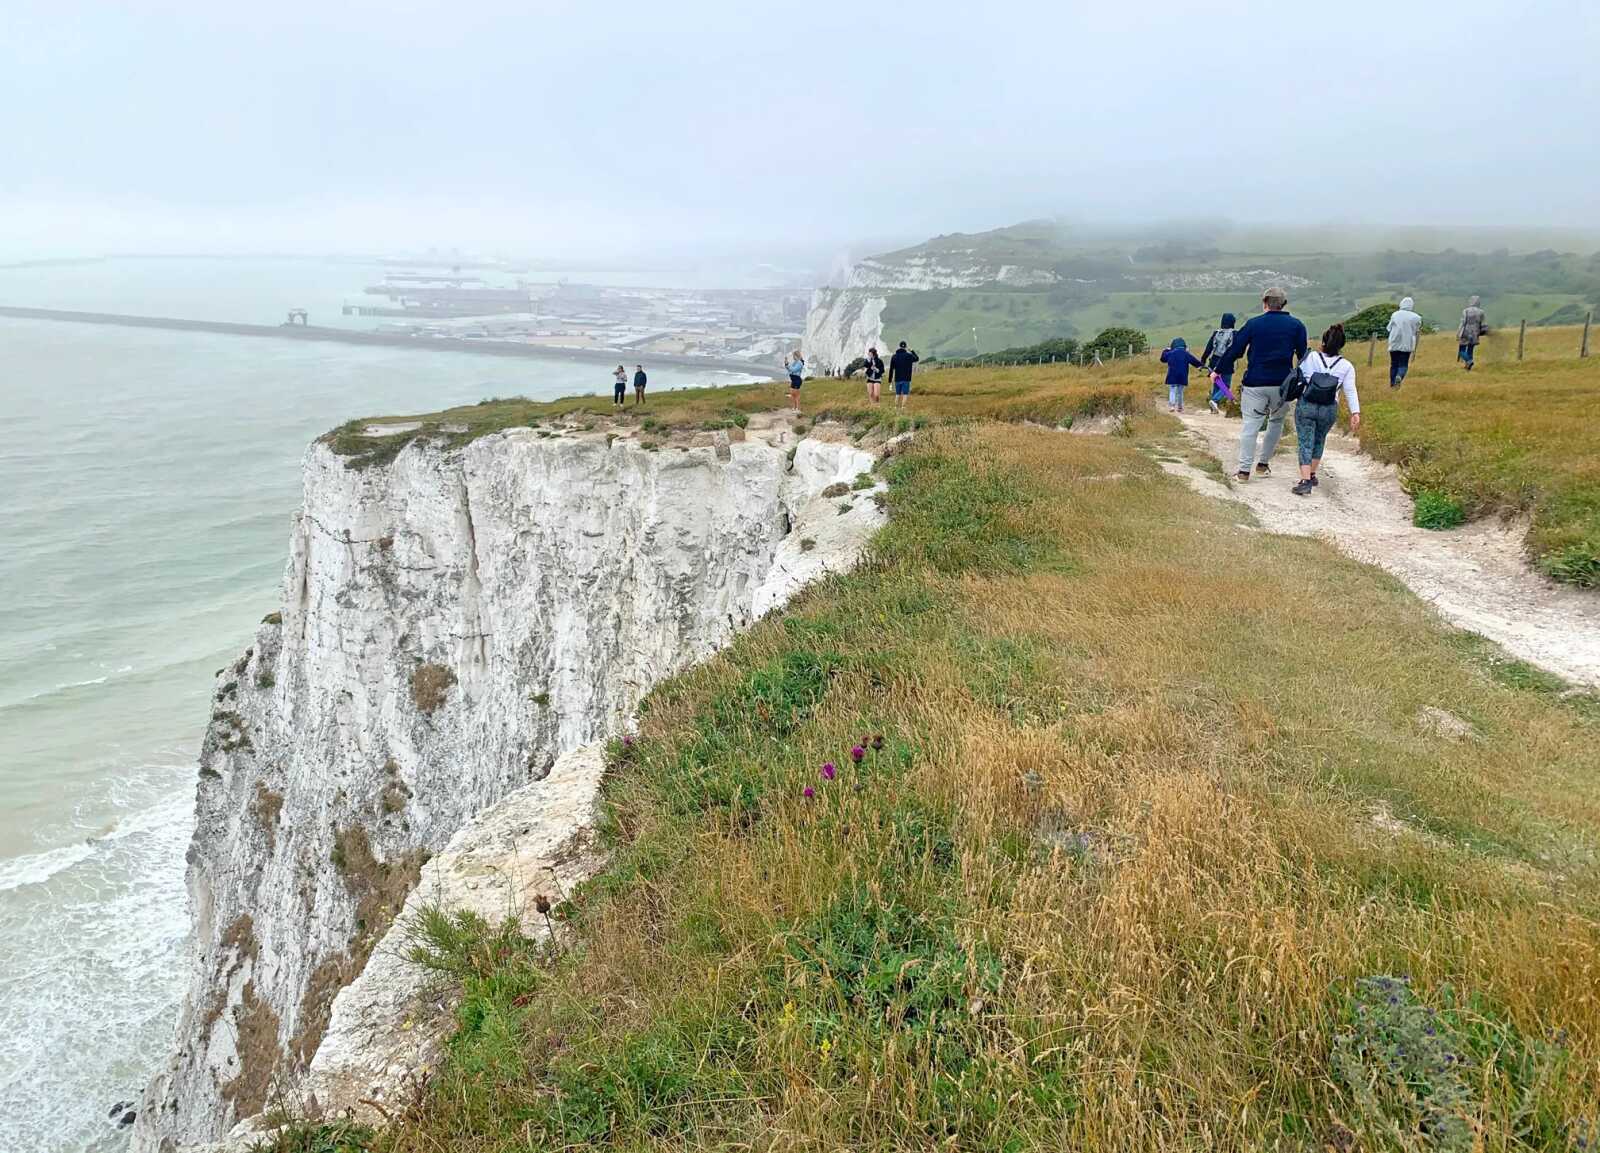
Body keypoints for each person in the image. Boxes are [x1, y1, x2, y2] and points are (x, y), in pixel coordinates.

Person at [1210, 286, 1308, 482]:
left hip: (1255, 383)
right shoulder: (1297, 325)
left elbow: (1235, 350)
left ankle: (1244, 471)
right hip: (1283, 385)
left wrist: (1217, 370)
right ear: (1284, 304)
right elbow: (1303, 355)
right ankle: (1263, 464)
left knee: (1250, 425)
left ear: (1264, 303)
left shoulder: (1254, 324)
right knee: (1276, 422)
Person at [1290, 323, 1361, 496]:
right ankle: (1313, 473)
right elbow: (1350, 390)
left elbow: (1300, 377)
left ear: (1323, 342)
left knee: (1305, 441)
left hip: (1307, 404)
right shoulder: (1347, 366)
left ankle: (1305, 480)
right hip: (1329, 407)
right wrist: (1355, 412)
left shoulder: (1311, 357)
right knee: (1319, 439)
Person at [1199, 313, 1238, 413]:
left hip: (1214, 361)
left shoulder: (1216, 332)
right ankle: (1215, 400)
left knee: (1217, 383)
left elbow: (1209, 347)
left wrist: (1203, 360)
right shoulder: (1234, 333)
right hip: (1227, 361)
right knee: (1226, 386)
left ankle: (1214, 408)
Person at [1386, 297, 1422, 389]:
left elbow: (1389, 328)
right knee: (1403, 364)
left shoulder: (1395, 314)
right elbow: (1417, 329)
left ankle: (1392, 384)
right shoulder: (1416, 317)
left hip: (1394, 343)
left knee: (1393, 364)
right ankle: (1399, 376)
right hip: (1407, 343)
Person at [1159, 337, 1203, 412]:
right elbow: (1194, 361)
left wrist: (1166, 350)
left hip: (1172, 375)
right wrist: (1200, 366)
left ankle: (1172, 406)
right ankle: (1180, 407)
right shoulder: (1186, 354)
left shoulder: (1170, 353)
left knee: (1172, 390)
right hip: (1183, 375)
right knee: (1180, 391)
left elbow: (1162, 359)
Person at [1458, 295, 1487, 370]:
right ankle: (1468, 367)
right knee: (1470, 350)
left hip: (1465, 332)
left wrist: (1458, 333)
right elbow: (1483, 324)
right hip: (1475, 333)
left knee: (1461, 350)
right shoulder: (1481, 312)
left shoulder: (1466, 310)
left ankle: (1468, 361)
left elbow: (1463, 322)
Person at [888, 341, 919, 411]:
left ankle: (895, 408)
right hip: (906, 378)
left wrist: (890, 381)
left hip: (897, 379)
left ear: (899, 346)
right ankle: (903, 408)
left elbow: (891, 370)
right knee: (905, 394)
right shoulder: (909, 355)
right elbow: (917, 358)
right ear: (905, 347)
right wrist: (912, 351)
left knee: (897, 394)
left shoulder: (894, 356)